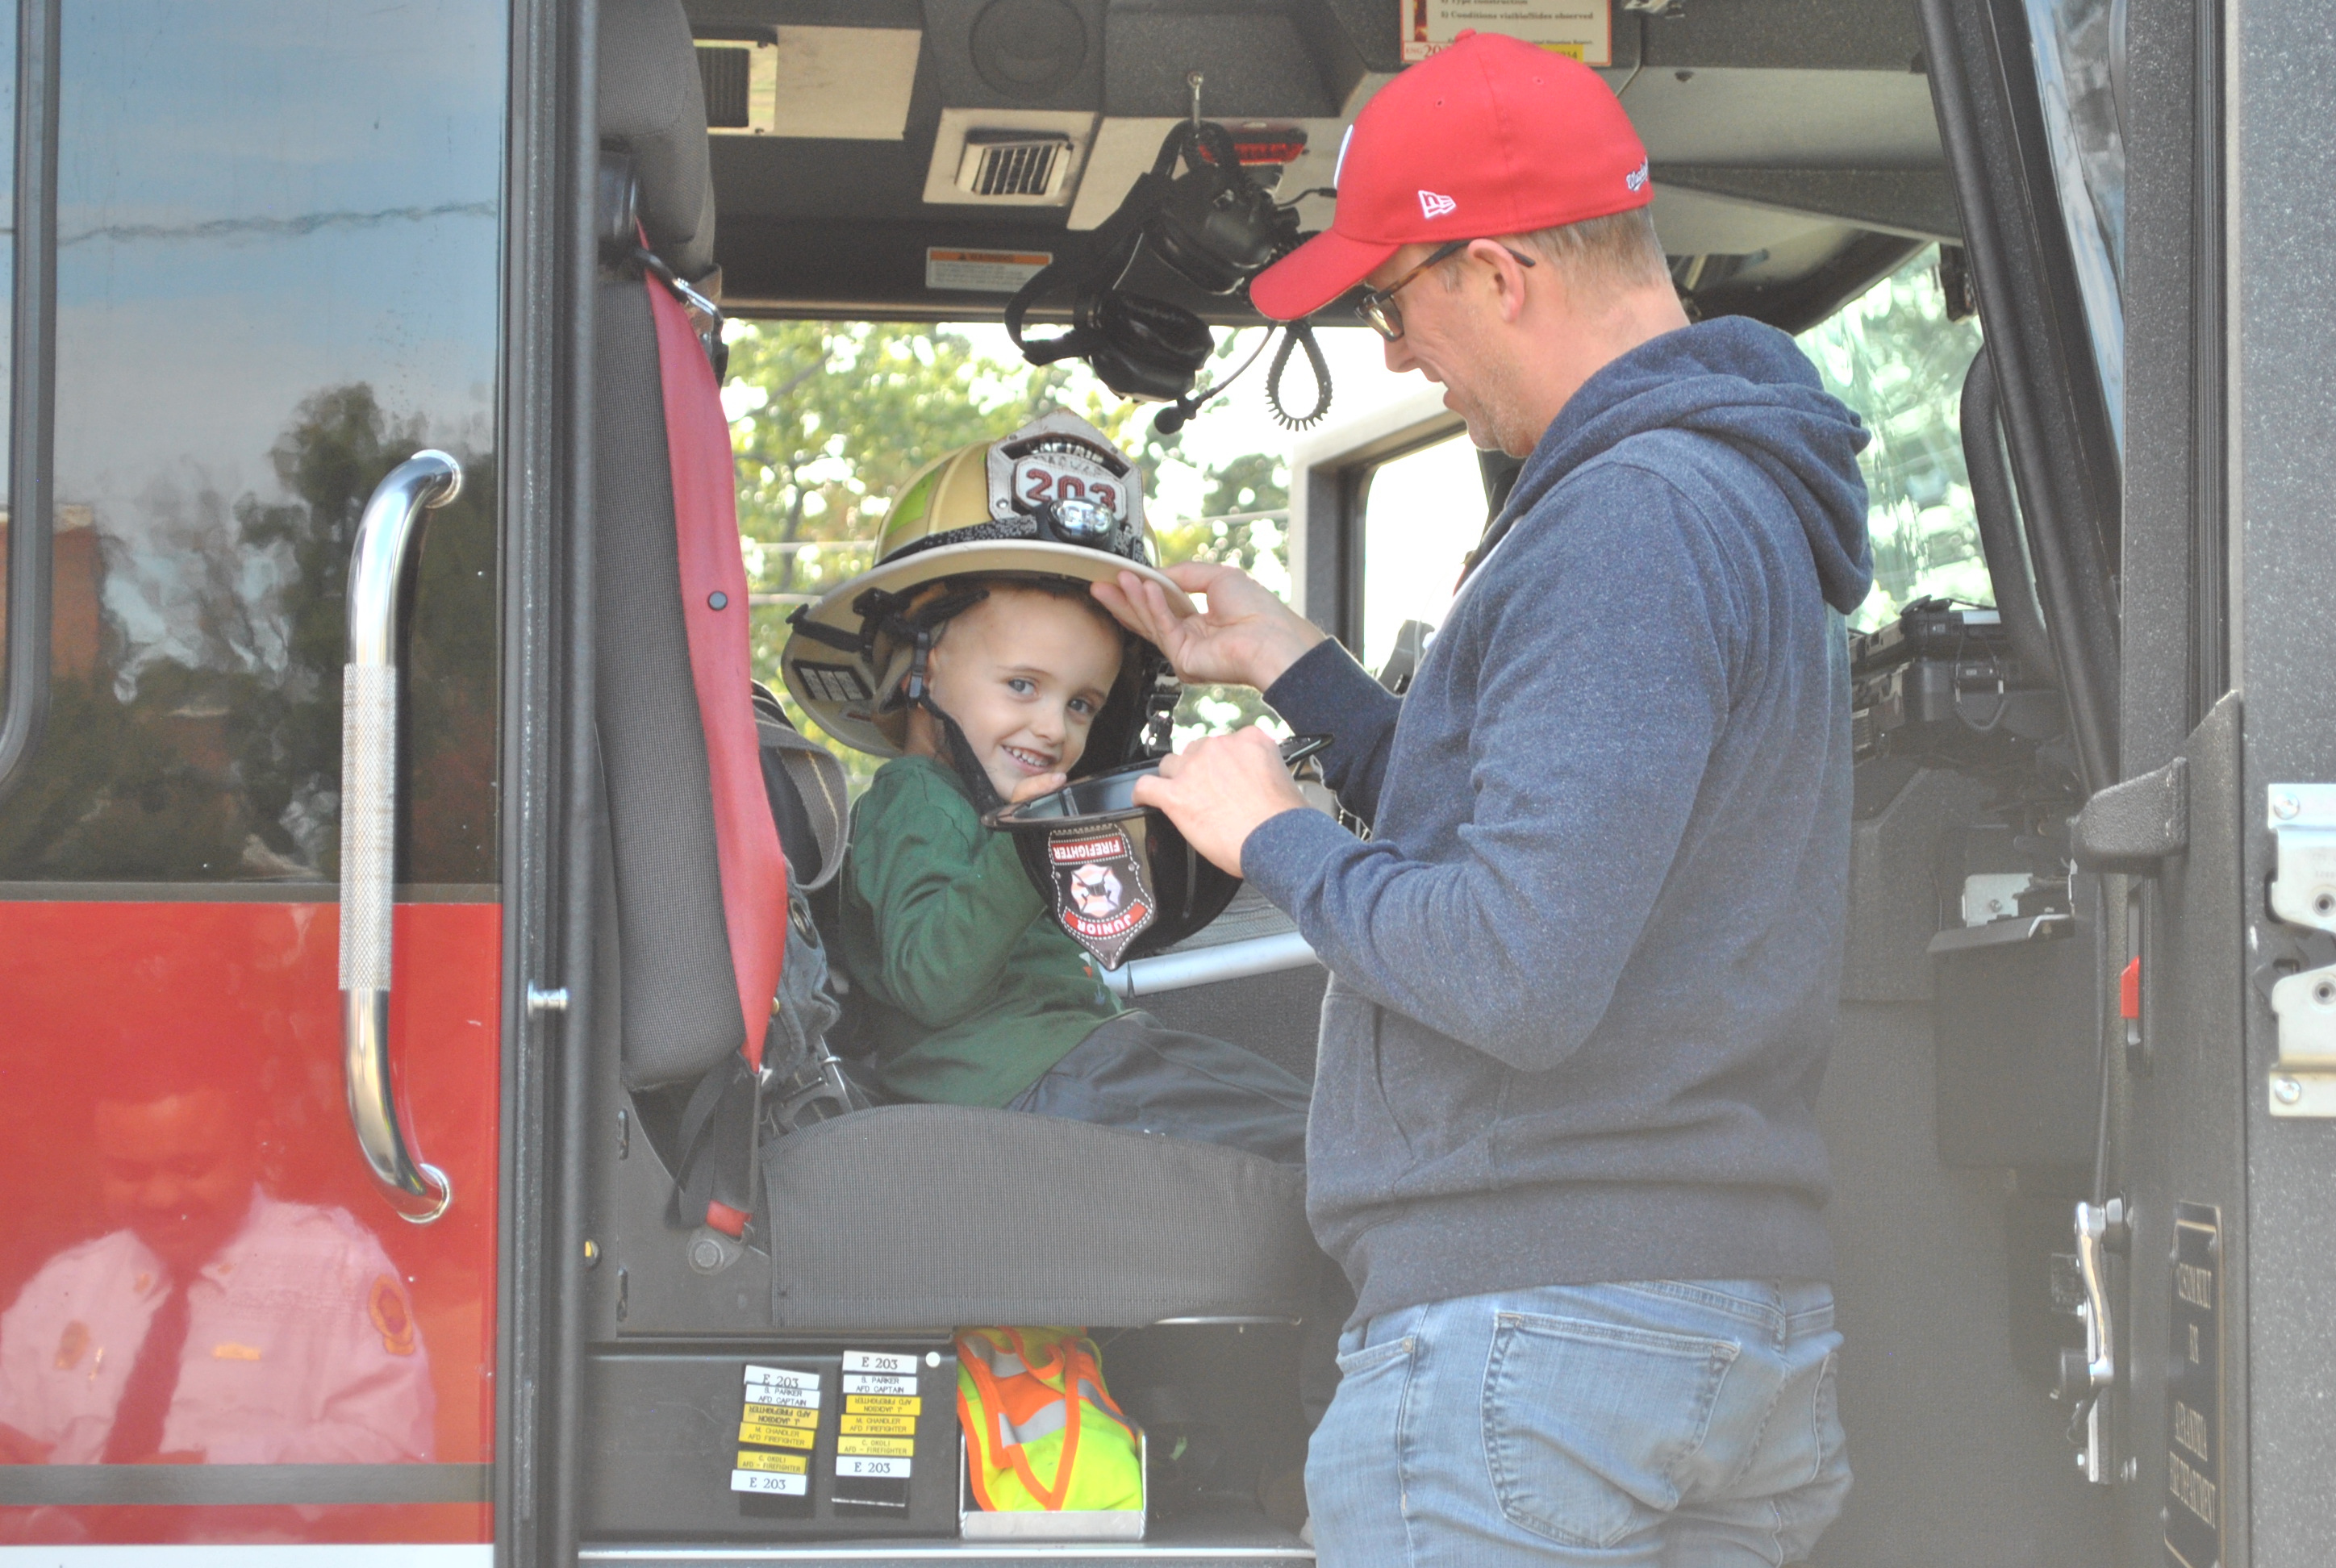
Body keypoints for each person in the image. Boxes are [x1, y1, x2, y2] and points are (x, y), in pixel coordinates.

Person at [1095, 31, 1871, 1566]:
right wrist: (1298, 667)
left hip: (1544, 1344)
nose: (1392, 354)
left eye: (1393, 302)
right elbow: (1551, 829)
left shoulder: (1623, 521)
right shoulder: (1723, 498)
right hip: (1720, 1331)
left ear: (1500, 273)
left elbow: (1516, 966)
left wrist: (1274, 833)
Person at [778, 411, 1312, 1162]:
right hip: (1029, 1076)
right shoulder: (915, 797)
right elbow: (927, 980)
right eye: (1022, 684)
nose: (1054, 727)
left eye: (1081, 704)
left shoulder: (976, 807)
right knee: (1317, 1131)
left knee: (1286, 1109)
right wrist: (1031, 849)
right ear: (914, 673)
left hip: (1062, 1065)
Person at [0, 1045, 436, 1472]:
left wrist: (210, 1477)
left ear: (256, 1146)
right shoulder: (65, 1287)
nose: (161, 1198)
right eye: (130, 1173)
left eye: (192, 1169)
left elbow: (396, 1450)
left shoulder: (332, 1265)